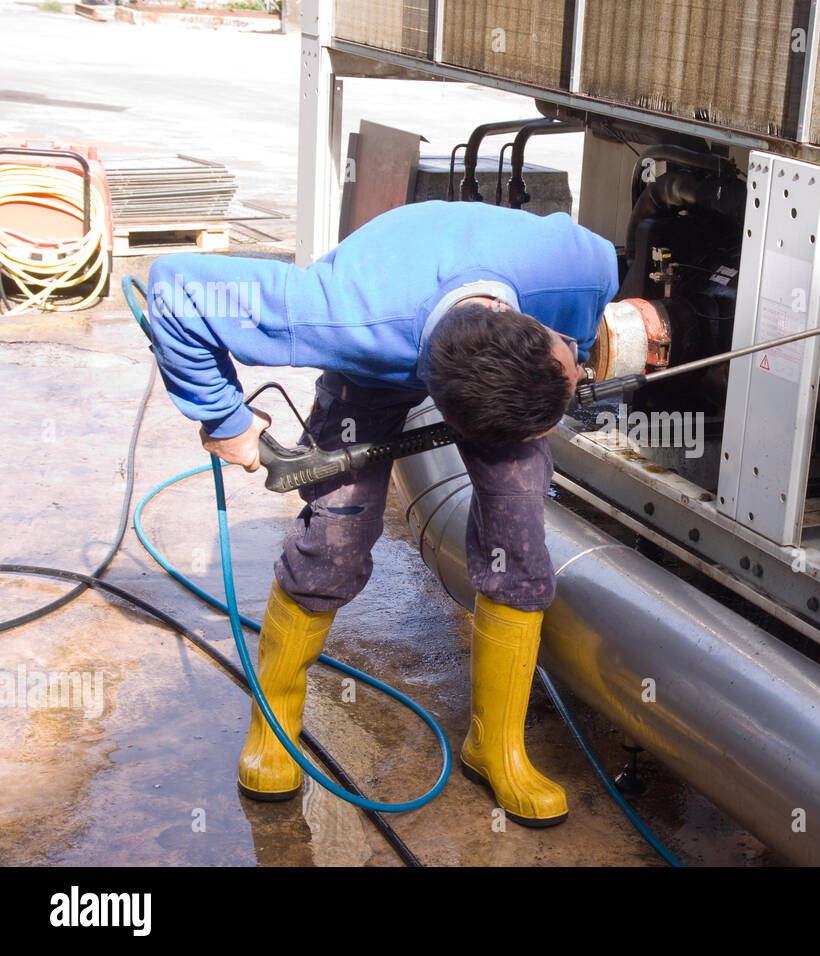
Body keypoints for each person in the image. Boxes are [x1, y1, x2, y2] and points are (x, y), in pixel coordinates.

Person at [147, 199, 619, 827]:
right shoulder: (337, 312)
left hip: (500, 324)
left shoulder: (576, 270)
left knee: (520, 531)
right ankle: (276, 723)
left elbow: (584, 312)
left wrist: (572, 356)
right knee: (336, 539)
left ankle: (494, 746)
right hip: (383, 338)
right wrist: (223, 417)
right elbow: (177, 288)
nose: (578, 366)